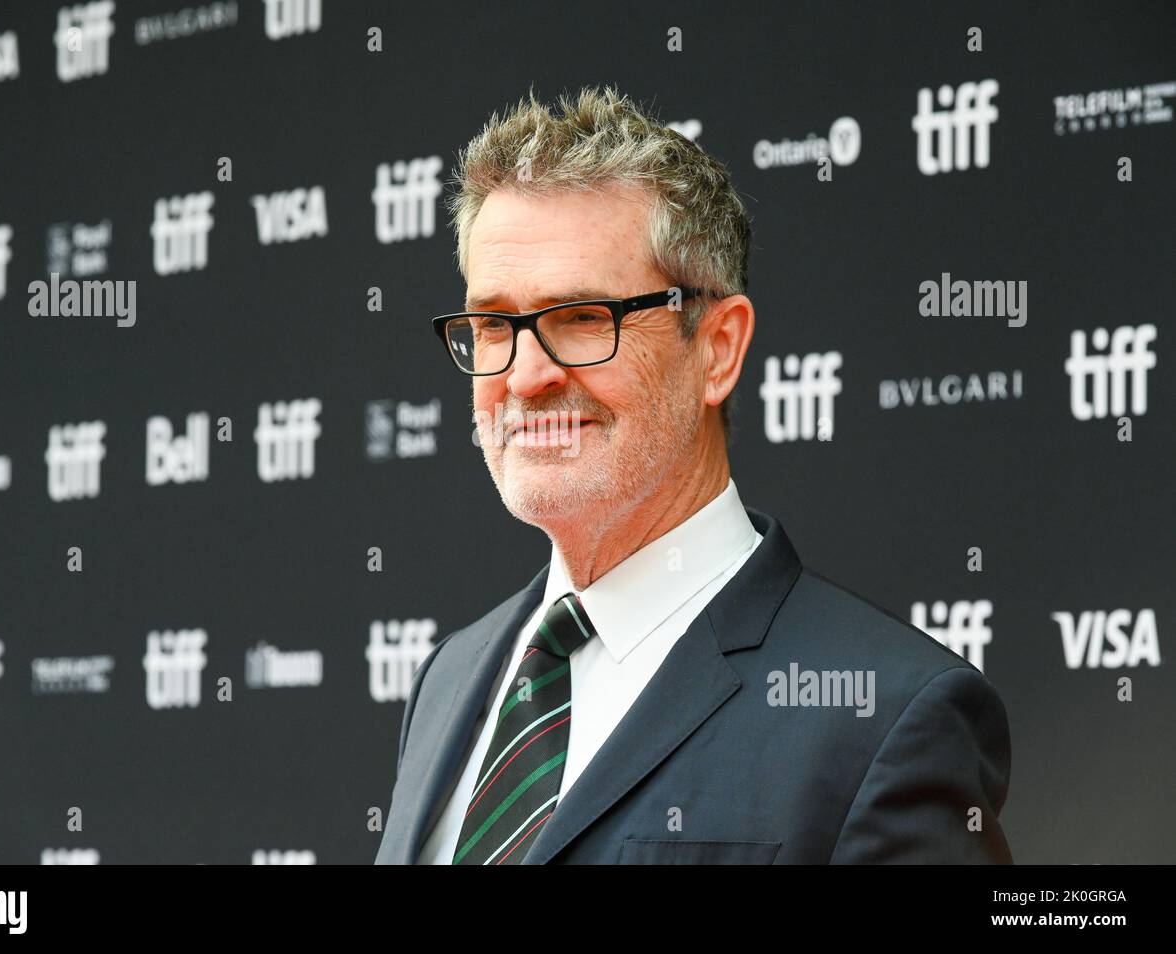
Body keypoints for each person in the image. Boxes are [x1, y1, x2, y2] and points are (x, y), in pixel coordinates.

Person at [375, 85, 1012, 864]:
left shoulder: (888, 717)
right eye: (494, 324)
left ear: (717, 349)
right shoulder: (451, 677)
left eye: (582, 317)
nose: (526, 373)